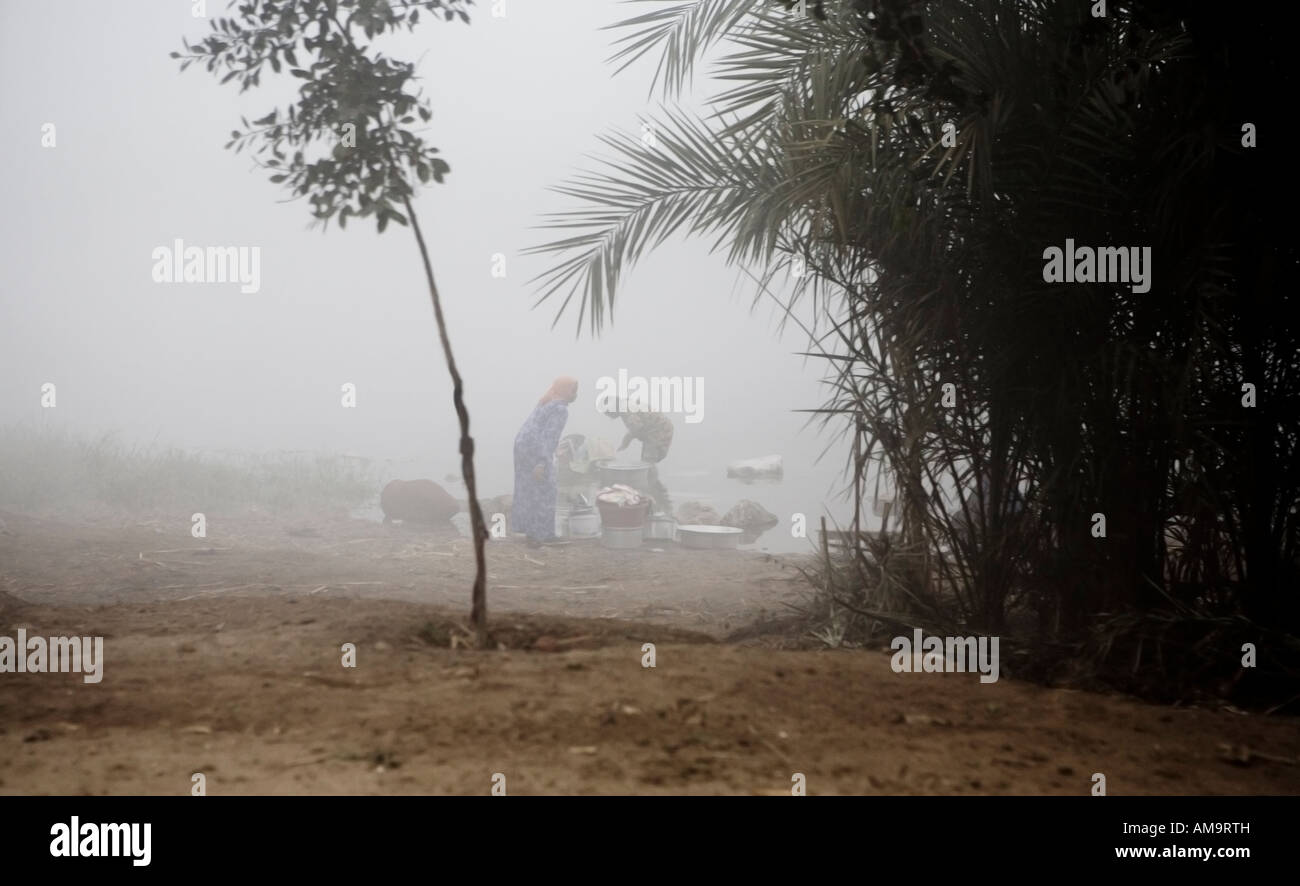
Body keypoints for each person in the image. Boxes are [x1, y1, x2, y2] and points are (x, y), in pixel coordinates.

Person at [513, 376, 578, 545]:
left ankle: (532, 532)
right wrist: (542, 462)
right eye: (573, 389)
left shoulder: (546, 401)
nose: (575, 393)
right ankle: (545, 535)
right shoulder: (560, 409)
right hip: (535, 449)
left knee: (528, 488)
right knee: (546, 488)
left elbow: (538, 428)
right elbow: (549, 436)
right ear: (563, 390)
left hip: (522, 445)